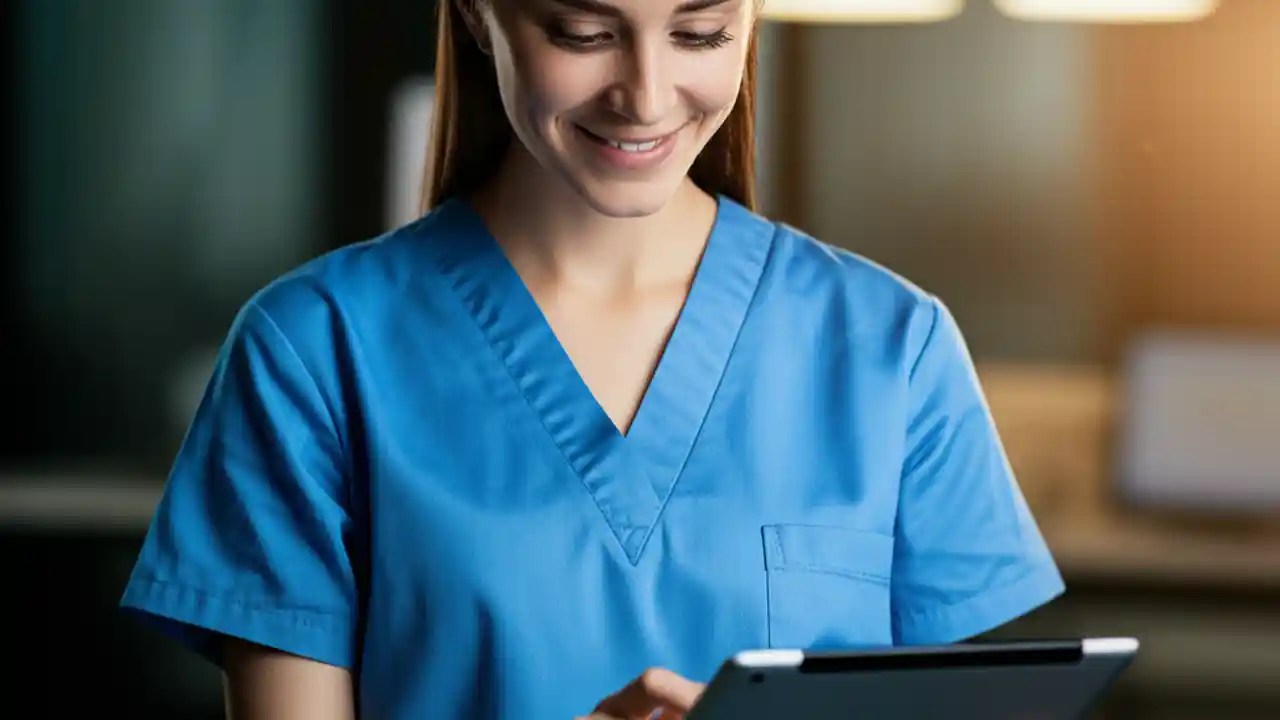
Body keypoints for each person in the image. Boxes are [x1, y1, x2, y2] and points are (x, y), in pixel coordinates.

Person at [119, 0, 1066, 718]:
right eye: (582, 32)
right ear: (484, 19)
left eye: (700, 34)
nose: (646, 96)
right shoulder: (315, 353)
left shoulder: (892, 348)